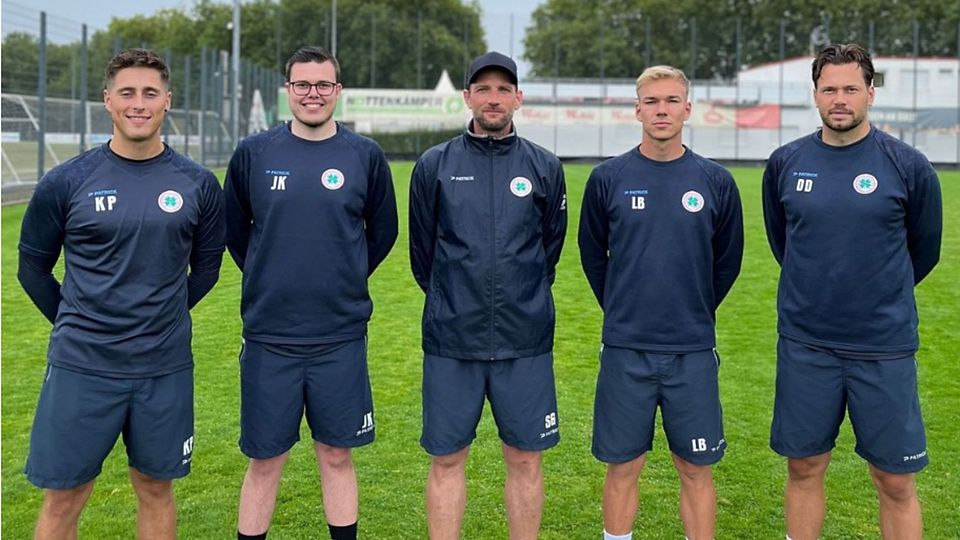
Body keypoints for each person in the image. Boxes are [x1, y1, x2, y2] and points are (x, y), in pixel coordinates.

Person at [17, 48, 225, 540]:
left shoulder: (197, 183)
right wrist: (80, 319)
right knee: (65, 495)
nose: (139, 103)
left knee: (156, 488)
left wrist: (162, 314)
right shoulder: (66, 181)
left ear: (167, 101)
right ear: (107, 100)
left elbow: (208, 269)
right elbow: (33, 269)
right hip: (83, 366)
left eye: (150, 93)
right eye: (127, 93)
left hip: (163, 366)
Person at [762, 43, 942, 540]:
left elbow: (922, 253)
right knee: (803, 468)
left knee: (895, 480)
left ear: (870, 93)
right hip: (806, 345)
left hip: (883, 348)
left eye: (850, 89)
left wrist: (878, 295)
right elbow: (785, 243)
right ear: (815, 95)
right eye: (829, 89)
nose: (839, 99)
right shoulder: (786, 162)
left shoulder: (907, 165)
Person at [223, 45, 398, 540]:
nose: (313, 94)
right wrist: (268, 271)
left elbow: (381, 233)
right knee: (264, 460)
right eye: (303, 84)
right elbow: (237, 233)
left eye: (323, 85)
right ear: (288, 91)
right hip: (269, 335)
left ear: (337, 92)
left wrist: (344, 275)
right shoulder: (254, 153)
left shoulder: (364, 155)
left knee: (337, 455)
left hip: (338, 335)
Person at [578, 65, 743, 540]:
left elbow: (726, 263)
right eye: (652, 101)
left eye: (672, 100)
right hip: (626, 348)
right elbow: (594, 257)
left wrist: (694, 308)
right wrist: (623, 308)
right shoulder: (609, 177)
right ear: (637, 109)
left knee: (695, 467)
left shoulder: (715, 181)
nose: (662, 110)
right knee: (623, 467)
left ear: (688, 109)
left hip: (691, 350)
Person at [408, 51, 567, 539]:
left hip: (524, 340)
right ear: (467, 97)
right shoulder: (434, 165)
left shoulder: (544, 166)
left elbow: (549, 248)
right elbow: (422, 254)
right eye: (483, 89)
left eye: (503, 89)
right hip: (453, 339)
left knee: (524, 457)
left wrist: (523, 297)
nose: (493, 98)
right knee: (448, 457)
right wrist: (452, 300)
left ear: (518, 98)